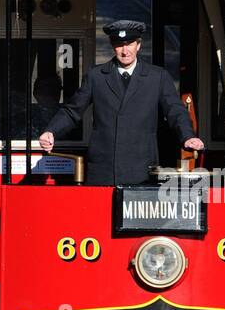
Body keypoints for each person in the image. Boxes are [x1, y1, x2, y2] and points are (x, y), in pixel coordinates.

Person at [37, 18, 203, 186]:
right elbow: (72, 110)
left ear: (138, 45)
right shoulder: (97, 76)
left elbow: (175, 111)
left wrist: (187, 136)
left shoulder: (157, 76)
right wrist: (51, 131)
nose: (125, 51)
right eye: (119, 45)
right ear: (112, 45)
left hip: (141, 167)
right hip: (104, 168)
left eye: (129, 44)